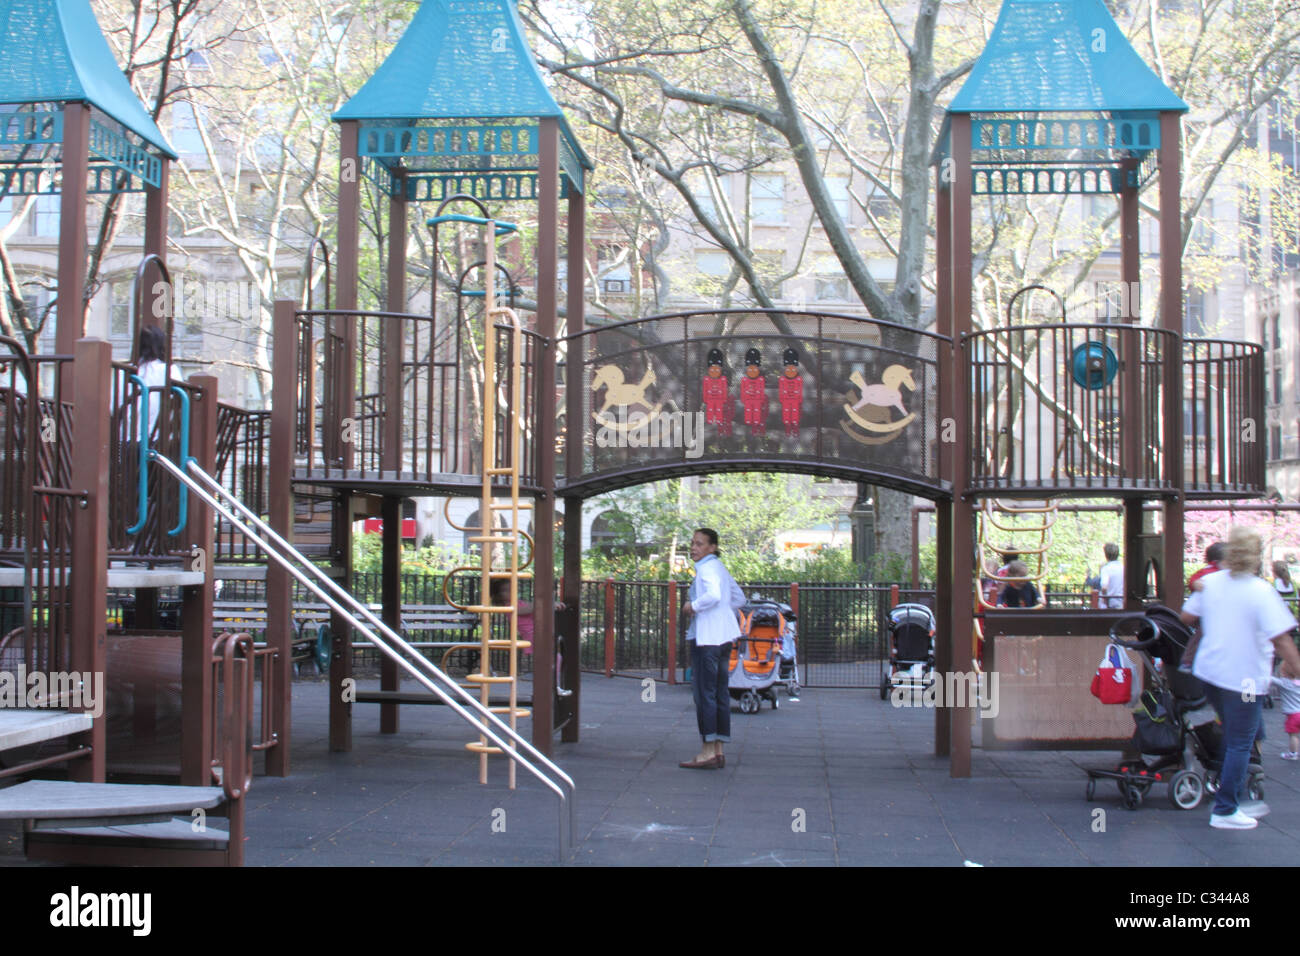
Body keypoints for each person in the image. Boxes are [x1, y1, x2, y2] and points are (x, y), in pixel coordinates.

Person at [1181, 526, 1300, 829]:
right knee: (1241, 740)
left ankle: (1231, 793)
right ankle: (1226, 808)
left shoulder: (1211, 583)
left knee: (1236, 733)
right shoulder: (1261, 591)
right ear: (1256, 556)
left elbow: (1186, 618)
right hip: (1244, 681)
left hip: (1210, 673)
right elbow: (1283, 641)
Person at [680, 528, 744, 770]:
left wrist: (692, 606)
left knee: (704, 693)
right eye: (693, 543)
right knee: (719, 692)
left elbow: (714, 596)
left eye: (700, 544)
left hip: (707, 638)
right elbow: (739, 598)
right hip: (725, 636)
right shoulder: (720, 568)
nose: (694, 548)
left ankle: (707, 752)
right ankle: (718, 749)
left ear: (712, 547)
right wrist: (722, 614)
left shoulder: (706, 568)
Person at [1277, 660, 1300, 761]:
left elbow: (1269, 680)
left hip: (1293, 715)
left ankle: (1293, 754)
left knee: (1293, 736)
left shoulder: (1284, 683)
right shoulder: (1298, 683)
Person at [1098, 543, 1124, 609]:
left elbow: (1104, 587)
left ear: (1106, 555)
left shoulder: (1106, 569)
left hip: (1110, 603)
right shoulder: (1123, 568)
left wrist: (1105, 601)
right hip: (1121, 601)